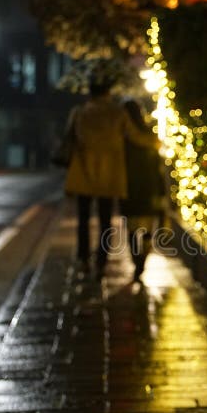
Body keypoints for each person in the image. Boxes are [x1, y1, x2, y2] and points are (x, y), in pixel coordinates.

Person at [64, 75, 159, 280]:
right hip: (109, 175)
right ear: (108, 91)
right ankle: (101, 262)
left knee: (83, 219)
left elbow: (70, 139)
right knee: (105, 222)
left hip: (83, 173)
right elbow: (135, 136)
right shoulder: (118, 113)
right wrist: (156, 142)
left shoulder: (79, 113)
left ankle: (83, 260)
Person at [121, 98, 166, 282]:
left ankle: (136, 261)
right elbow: (158, 167)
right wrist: (162, 191)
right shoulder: (151, 136)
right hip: (150, 188)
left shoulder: (123, 139)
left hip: (129, 189)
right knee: (148, 228)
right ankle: (142, 261)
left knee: (132, 229)